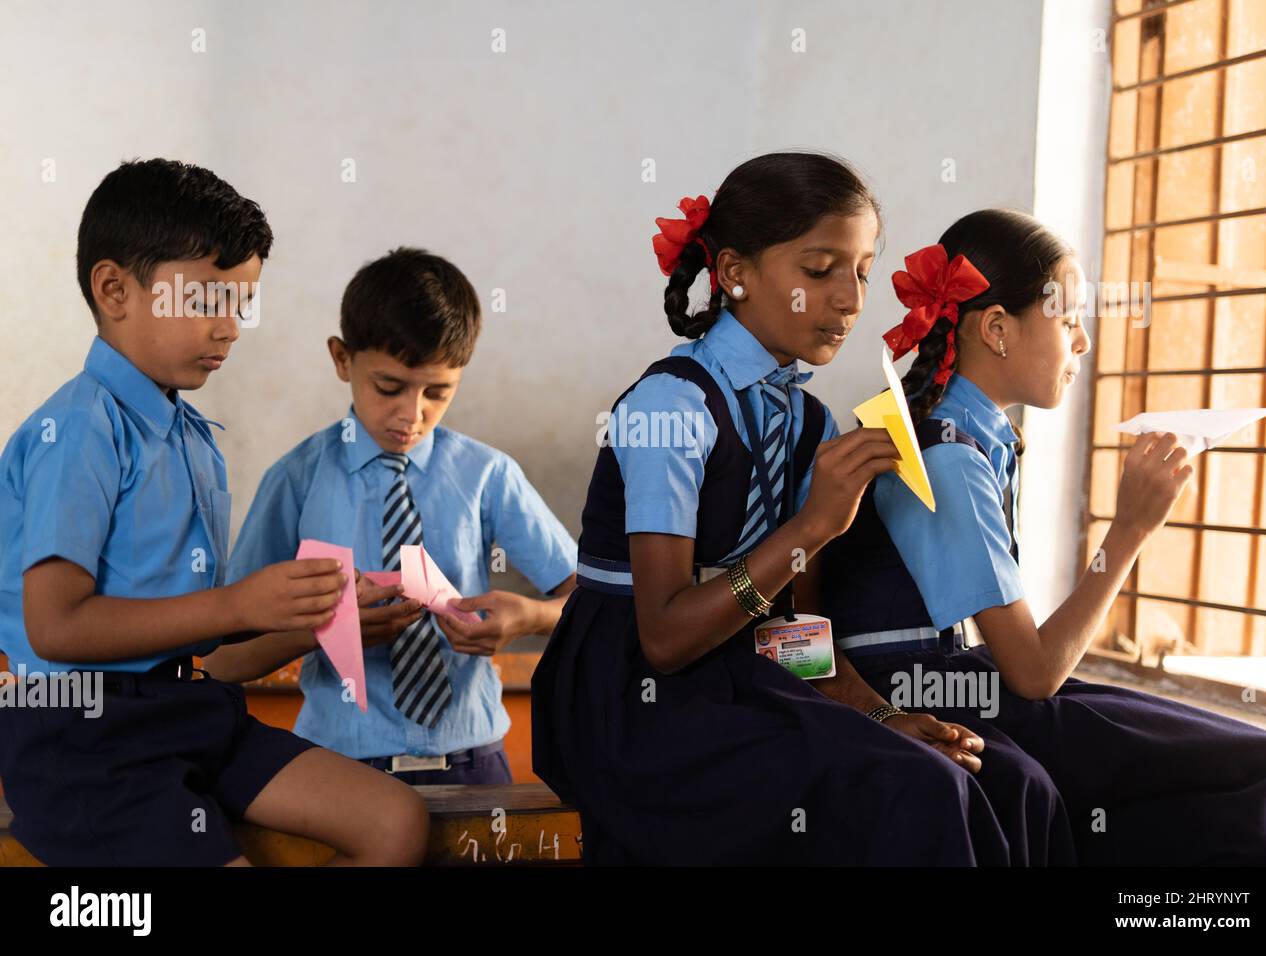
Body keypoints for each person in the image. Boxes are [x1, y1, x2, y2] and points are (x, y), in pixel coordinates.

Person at [531, 151, 1013, 865]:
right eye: (820, 270)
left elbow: (791, 631)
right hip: (630, 699)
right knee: (903, 793)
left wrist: (881, 715)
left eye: (863, 271)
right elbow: (662, 636)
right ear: (734, 274)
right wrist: (813, 525)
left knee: (953, 775)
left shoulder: (807, 423)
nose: (850, 299)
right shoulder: (671, 407)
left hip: (736, 675)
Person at [823, 208, 1266, 865]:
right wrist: (1129, 529)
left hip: (957, 674)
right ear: (997, 330)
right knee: (1265, 767)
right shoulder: (948, 456)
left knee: (1259, 756)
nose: (1082, 343)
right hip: (922, 686)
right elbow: (1036, 672)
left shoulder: (965, 434)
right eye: (1069, 317)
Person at [0, 159, 429, 866]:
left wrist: (314, 615)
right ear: (114, 289)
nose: (230, 329)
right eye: (205, 302)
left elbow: (207, 641)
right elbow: (56, 627)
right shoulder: (77, 432)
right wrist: (236, 603)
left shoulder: (194, 439)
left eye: (242, 304)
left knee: (395, 823)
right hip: (82, 736)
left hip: (186, 710)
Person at [206, 247, 577, 786]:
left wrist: (533, 619)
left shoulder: (486, 475)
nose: (412, 413)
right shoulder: (297, 481)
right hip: (339, 768)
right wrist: (327, 631)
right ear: (341, 359)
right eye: (389, 387)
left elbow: (593, 606)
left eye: (438, 392)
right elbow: (223, 661)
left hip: (472, 759)